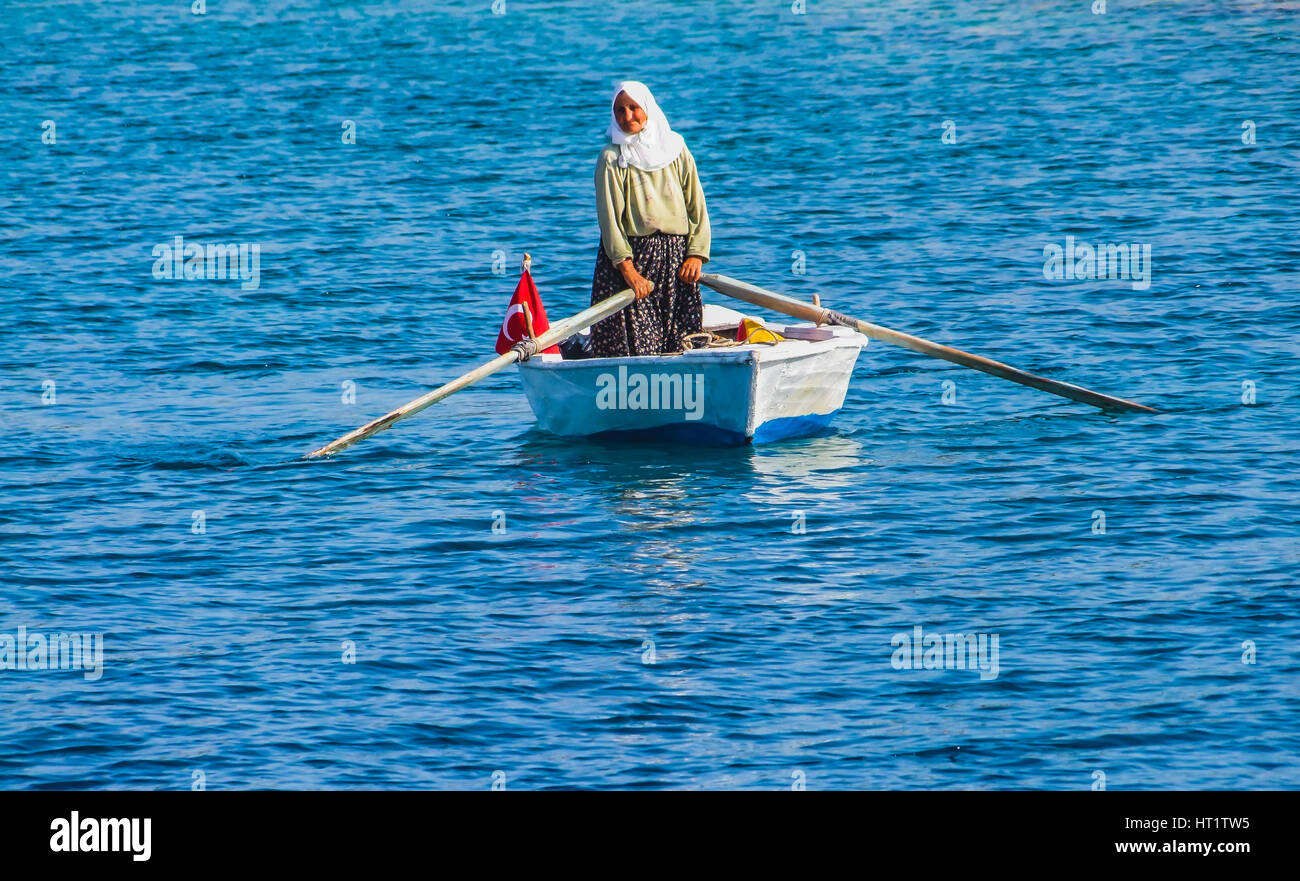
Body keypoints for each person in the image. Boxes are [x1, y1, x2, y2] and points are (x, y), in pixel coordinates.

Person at [589, 80, 711, 357]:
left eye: (634, 108)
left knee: (682, 338)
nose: (628, 117)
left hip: (676, 258)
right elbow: (610, 221)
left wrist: (696, 255)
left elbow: (697, 206)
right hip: (633, 259)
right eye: (620, 110)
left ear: (648, 108)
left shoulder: (675, 149)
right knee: (635, 345)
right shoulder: (612, 158)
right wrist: (629, 271)